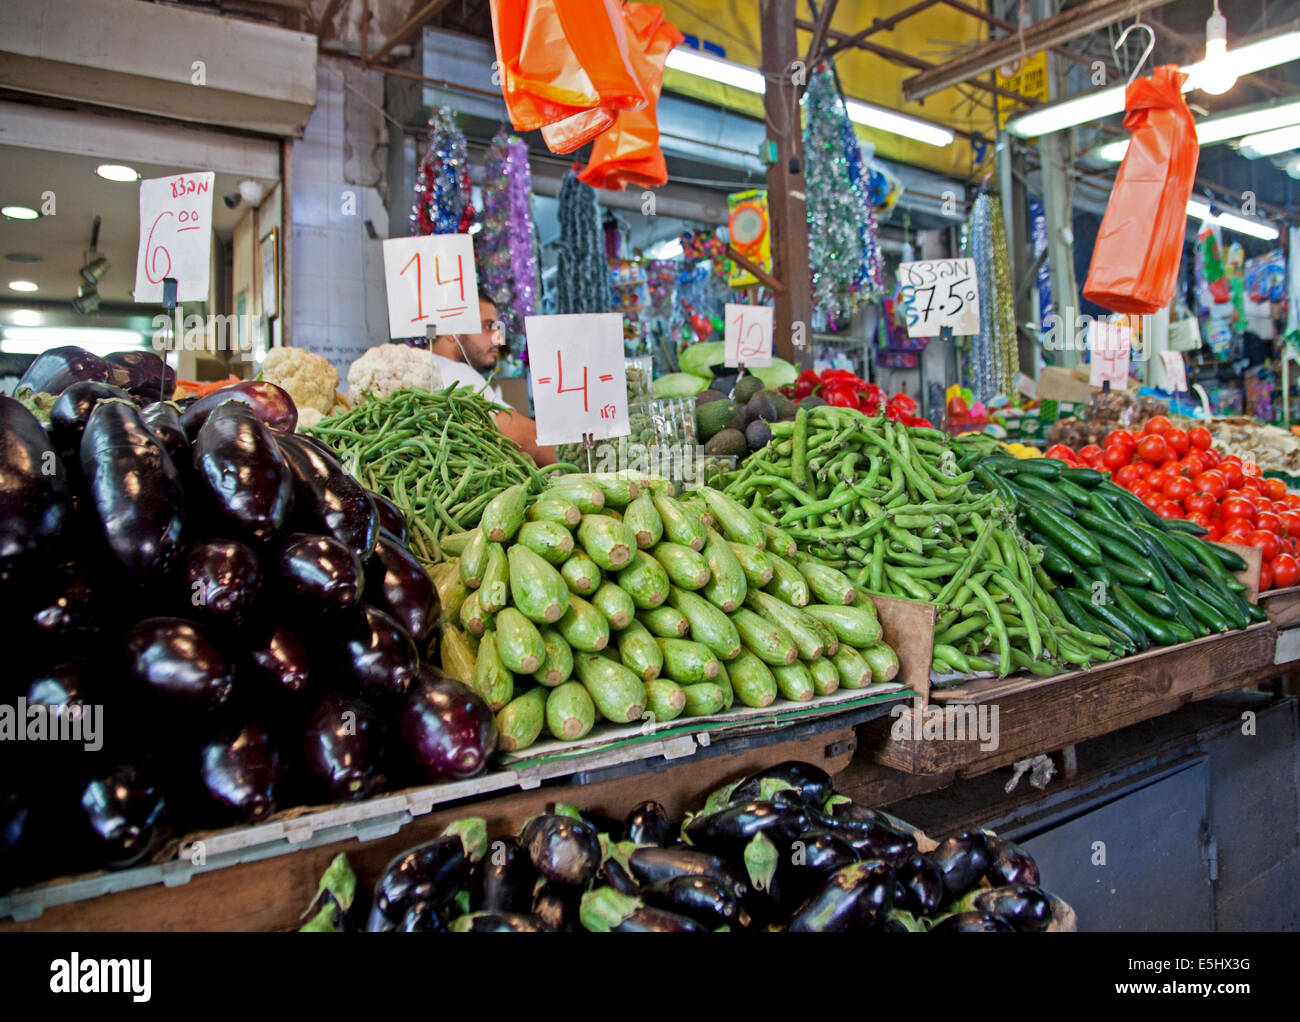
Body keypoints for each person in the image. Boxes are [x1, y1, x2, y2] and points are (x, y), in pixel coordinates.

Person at [428, 290, 555, 466]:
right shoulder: (454, 372)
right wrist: (576, 451)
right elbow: (518, 436)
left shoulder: (433, 367)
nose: (498, 338)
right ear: (451, 331)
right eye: (488, 326)